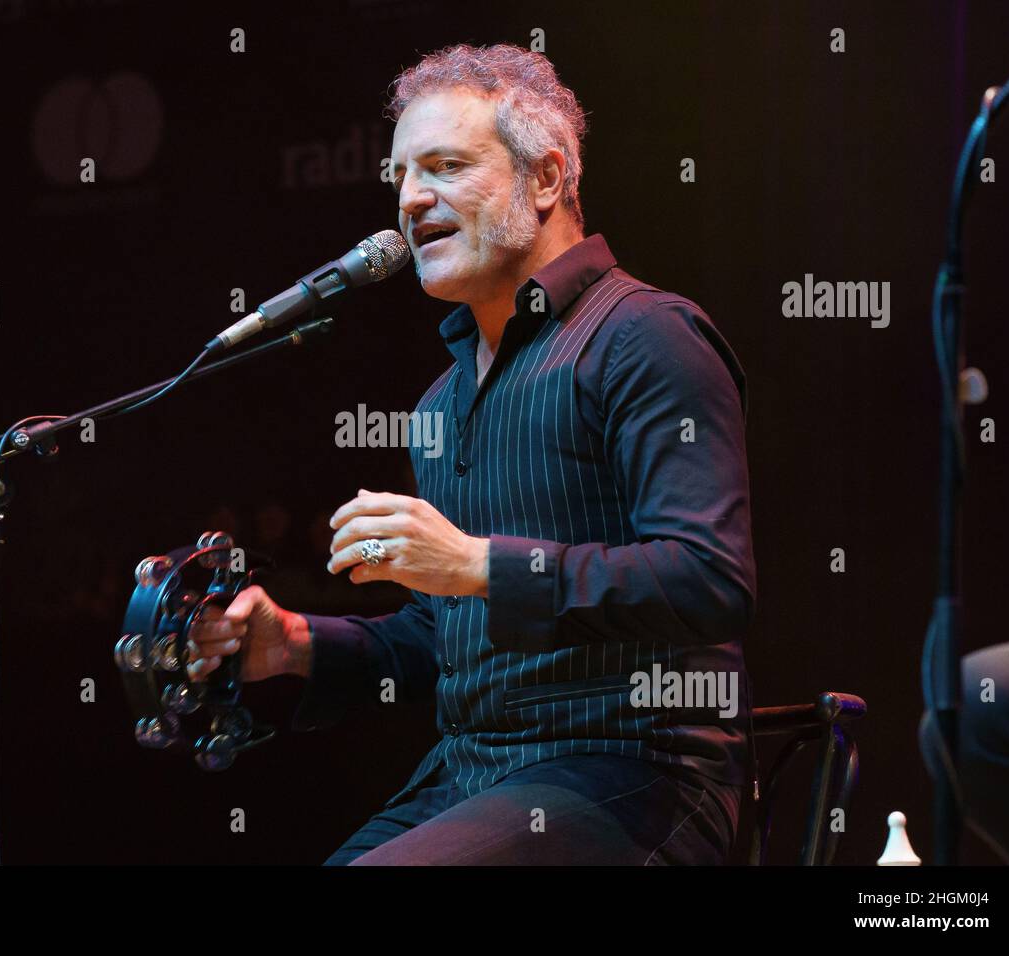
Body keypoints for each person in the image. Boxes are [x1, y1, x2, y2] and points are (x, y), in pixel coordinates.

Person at [189, 43, 757, 865]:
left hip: (636, 774)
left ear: (547, 179)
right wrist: (297, 643)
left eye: (446, 167)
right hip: (476, 778)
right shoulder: (440, 403)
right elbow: (443, 633)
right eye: (400, 177)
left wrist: (481, 564)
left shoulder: (645, 338)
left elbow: (711, 579)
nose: (412, 201)